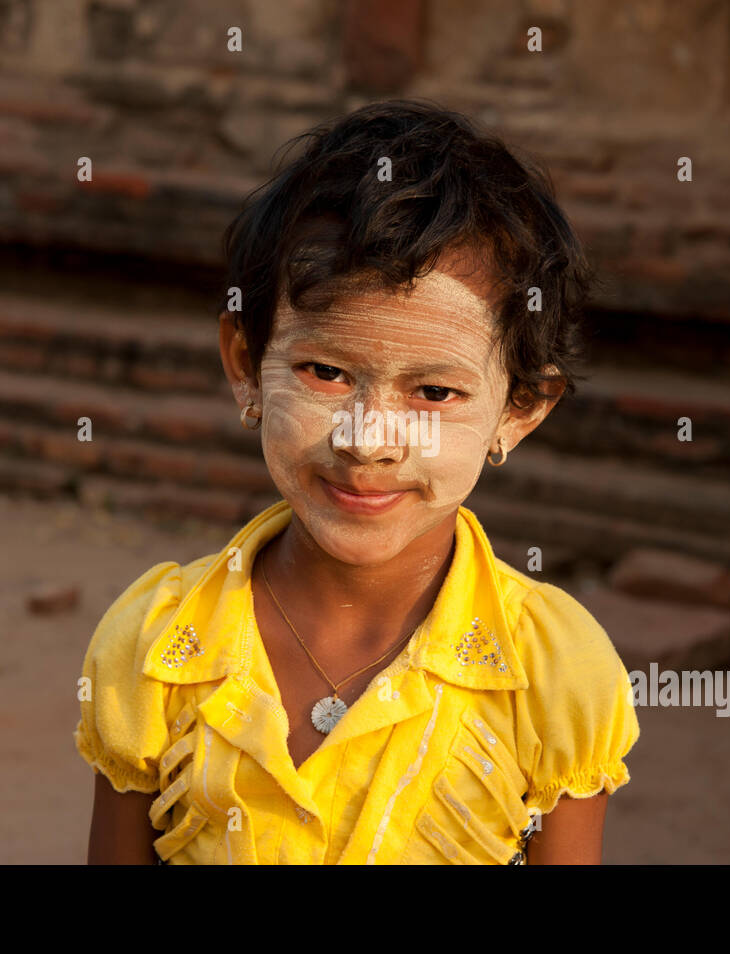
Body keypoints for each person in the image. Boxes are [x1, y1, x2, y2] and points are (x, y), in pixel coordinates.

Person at [75, 99, 639, 864]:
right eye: (326, 372)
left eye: (433, 393)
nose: (368, 441)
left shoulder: (552, 671)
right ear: (246, 366)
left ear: (521, 409)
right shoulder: (156, 647)